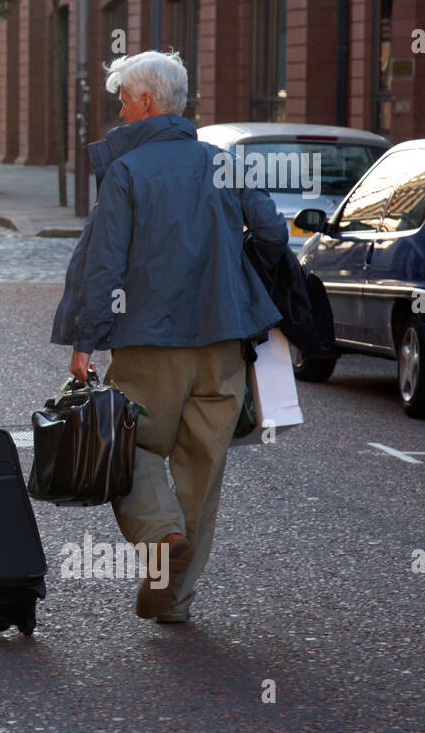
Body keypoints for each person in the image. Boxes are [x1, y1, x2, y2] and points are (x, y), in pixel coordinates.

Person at [51, 50, 286, 624]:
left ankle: (158, 540)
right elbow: (275, 233)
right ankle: (174, 598)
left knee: (126, 448)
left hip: (150, 344)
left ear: (148, 102)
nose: (121, 111)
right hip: (224, 345)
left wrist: (86, 341)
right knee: (200, 473)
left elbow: (104, 267)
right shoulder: (224, 161)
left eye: (124, 100)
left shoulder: (129, 171)